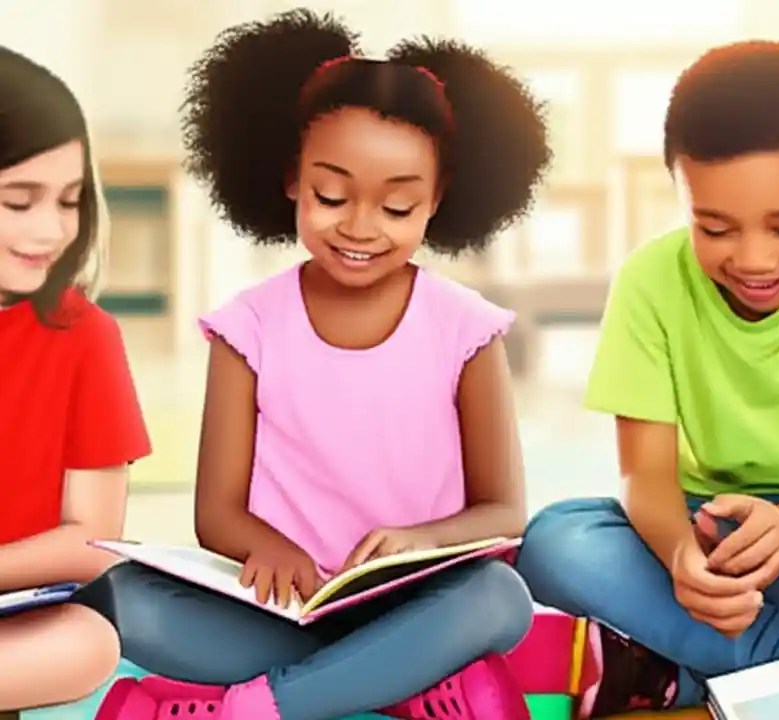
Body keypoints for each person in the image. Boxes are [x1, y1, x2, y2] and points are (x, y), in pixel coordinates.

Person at [80, 9, 552, 720]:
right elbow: (217, 514)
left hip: (419, 602)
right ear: (291, 180)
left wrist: (422, 540)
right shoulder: (247, 329)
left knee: (500, 600)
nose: (360, 227)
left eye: (397, 206)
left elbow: (505, 512)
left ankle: (253, 707)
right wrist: (264, 545)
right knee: (122, 600)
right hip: (279, 608)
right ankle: (406, 686)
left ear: (438, 200)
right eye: (332, 196)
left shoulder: (467, 330)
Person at [515, 40, 779, 716]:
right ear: (681, 191)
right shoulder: (650, 281)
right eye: (714, 227)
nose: (754, 260)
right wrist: (682, 558)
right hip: (700, 531)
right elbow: (646, 477)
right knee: (555, 541)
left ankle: (679, 668)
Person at [0, 47, 151, 710]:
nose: (52, 229)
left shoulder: (86, 337)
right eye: (19, 201)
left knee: (89, 642)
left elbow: (92, 540)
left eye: (69, 200)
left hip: (18, 621)